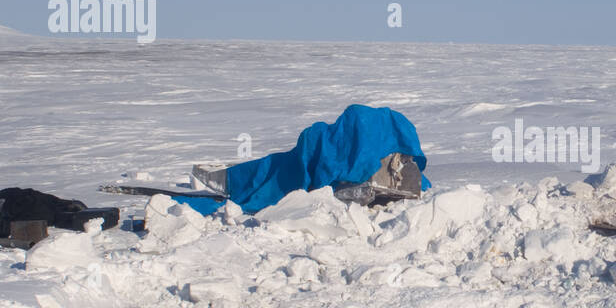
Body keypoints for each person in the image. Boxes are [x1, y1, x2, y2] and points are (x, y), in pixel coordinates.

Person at [179, 104, 429, 214]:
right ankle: (228, 178)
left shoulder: (334, 143)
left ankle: (232, 181)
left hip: (305, 162)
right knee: (280, 165)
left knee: (273, 172)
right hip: (321, 154)